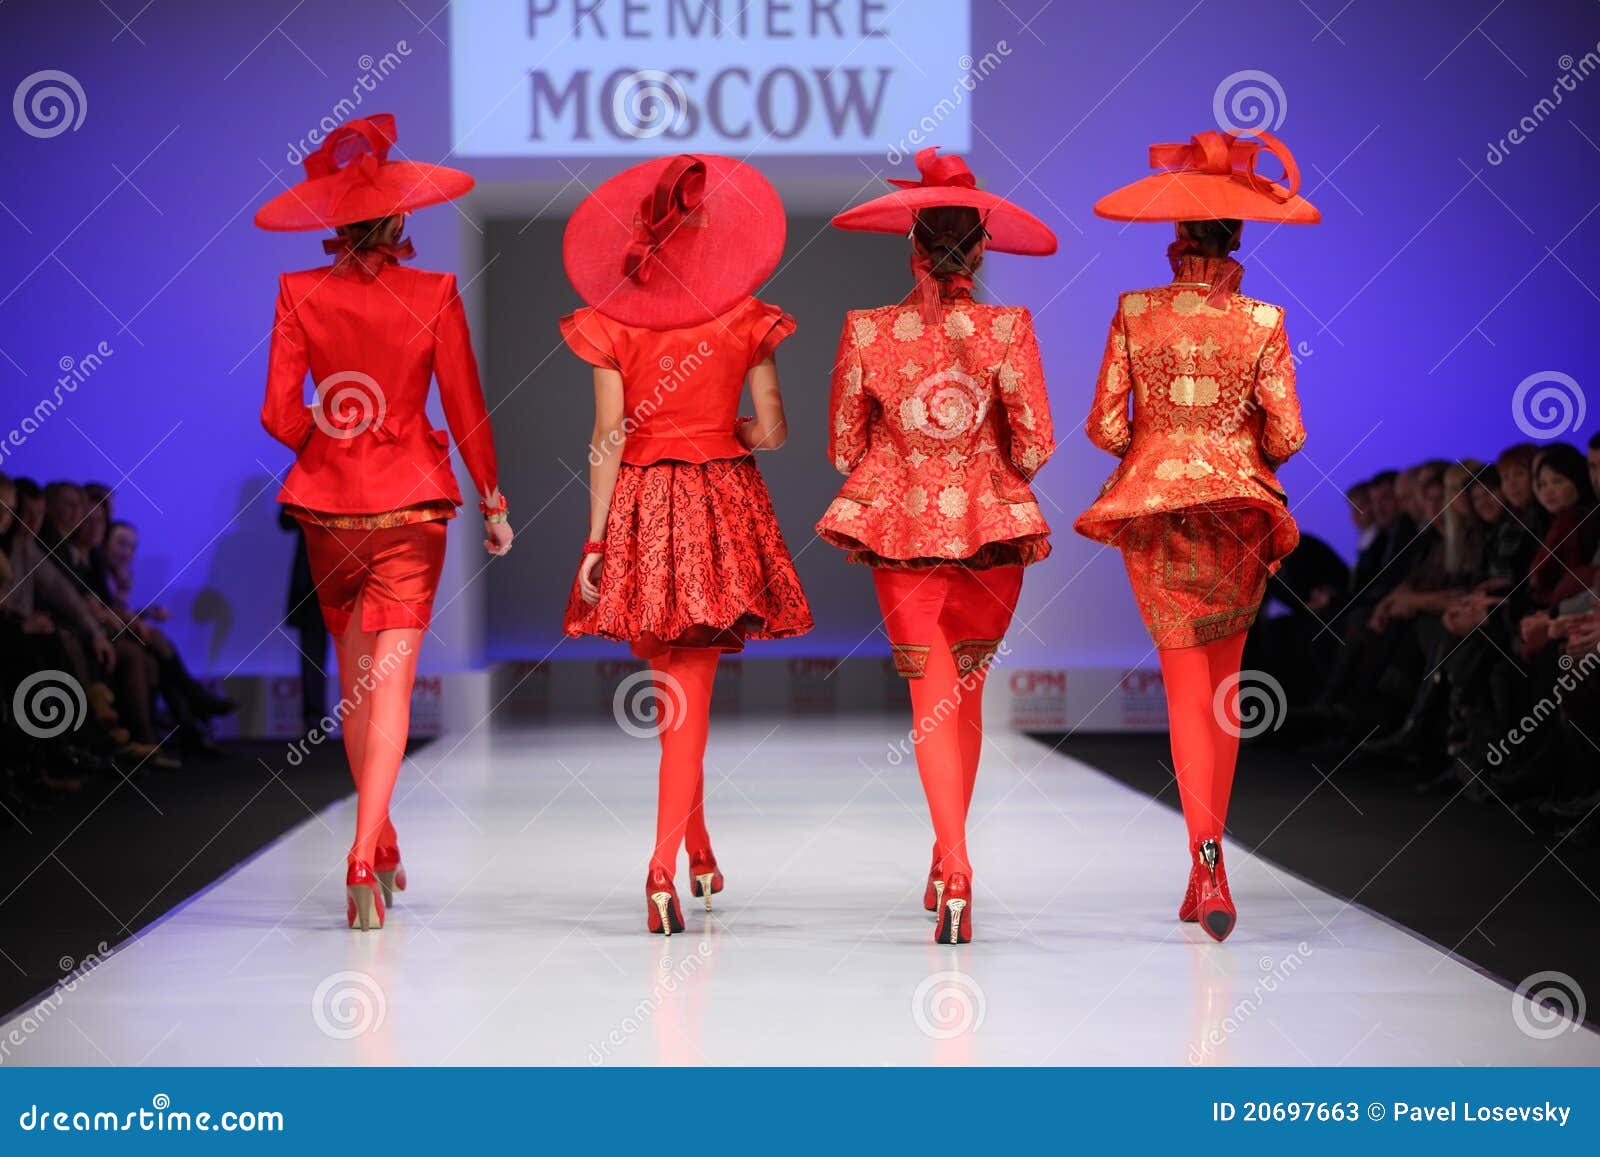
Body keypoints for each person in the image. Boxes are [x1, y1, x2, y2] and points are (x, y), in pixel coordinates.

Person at [254, 113, 511, 931]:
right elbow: (466, 407)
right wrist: (495, 498)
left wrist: (331, 436)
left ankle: (378, 838)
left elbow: (274, 412)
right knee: (390, 682)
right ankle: (365, 850)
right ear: (402, 218)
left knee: (355, 678)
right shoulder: (433, 292)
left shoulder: (300, 291)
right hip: (411, 505)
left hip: (327, 509)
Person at [558, 153, 812, 934]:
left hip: (640, 507)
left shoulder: (616, 318)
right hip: (717, 502)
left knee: (677, 688)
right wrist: (725, 429)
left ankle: (695, 847)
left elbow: (608, 436)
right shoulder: (745, 316)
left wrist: (596, 539)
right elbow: (771, 430)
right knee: (688, 691)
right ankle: (662, 868)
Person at [1076, 129, 1317, 941]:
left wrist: (1165, 430)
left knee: (1185, 681)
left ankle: (1204, 859)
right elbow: (1285, 436)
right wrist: (1228, 434)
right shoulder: (1262, 320)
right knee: (1224, 683)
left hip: (1160, 509)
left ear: (1175, 239)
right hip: (1240, 512)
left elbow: (1107, 429)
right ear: (1238, 237)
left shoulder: (1134, 314)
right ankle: (1209, 862)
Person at [818, 146, 1057, 944]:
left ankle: (952, 864)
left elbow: (845, 448)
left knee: (931, 701)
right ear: (981, 248)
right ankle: (950, 859)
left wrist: (911, 449)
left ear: (911, 244)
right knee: (968, 699)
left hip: (903, 532)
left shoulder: (866, 330)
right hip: (991, 532)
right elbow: (1035, 446)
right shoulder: (1008, 329)